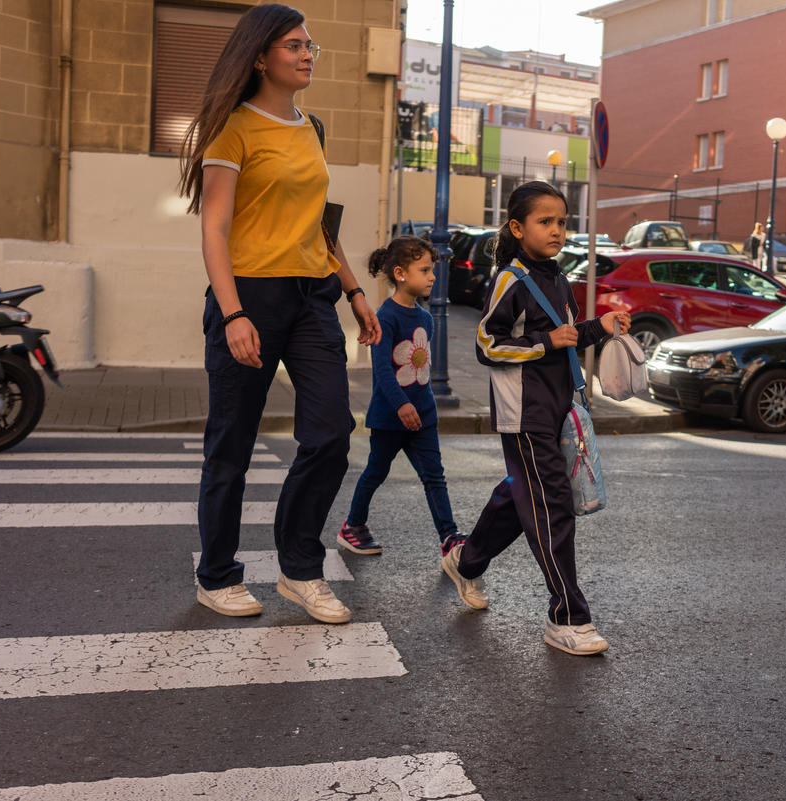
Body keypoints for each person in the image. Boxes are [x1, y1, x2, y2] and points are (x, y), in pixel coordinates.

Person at [179, 4, 381, 624]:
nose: (306, 54)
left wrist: (353, 290)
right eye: (293, 45)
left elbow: (320, 224)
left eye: (310, 45)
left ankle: (299, 569)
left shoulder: (311, 128)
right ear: (261, 56)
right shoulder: (231, 129)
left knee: (329, 434)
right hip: (250, 297)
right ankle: (217, 575)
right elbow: (214, 229)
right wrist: (234, 312)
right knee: (231, 447)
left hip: (312, 296)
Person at [439, 181, 631, 656]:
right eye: (545, 222)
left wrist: (599, 328)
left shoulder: (557, 277)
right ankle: (567, 616)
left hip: (558, 407)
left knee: (521, 494)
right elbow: (487, 345)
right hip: (523, 412)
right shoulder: (510, 279)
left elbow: (562, 335)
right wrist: (547, 343)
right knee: (552, 506)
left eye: (562, 222)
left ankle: (465, 560)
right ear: (517, 227)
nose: (557, 230)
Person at [336, 236, 464, 558]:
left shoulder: (424, 318)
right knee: (375, 472)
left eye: (431, 270)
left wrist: (418, 404)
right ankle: (353, 526)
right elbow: (382, 372)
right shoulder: (386, 317)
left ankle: (449, 538)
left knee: (434, 477)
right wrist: (401, 404)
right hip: (390, 417)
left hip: (423, 415)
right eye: (424, 270)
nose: (432, 277)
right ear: (400, 273)